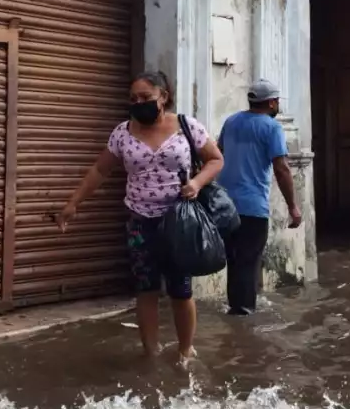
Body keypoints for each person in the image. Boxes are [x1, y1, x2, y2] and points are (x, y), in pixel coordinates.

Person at [56, 71, 224, 360]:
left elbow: (216, 159)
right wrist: (73, 204)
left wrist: (196, 183)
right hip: (139, 220)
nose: (138, 103)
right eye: (133, 99)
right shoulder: (122, 132)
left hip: (178, 222)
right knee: (145, 288)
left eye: (145, 98)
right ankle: (151, 353)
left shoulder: (186, 126)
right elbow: (100, 170)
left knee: (180, 289)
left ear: (164, 97)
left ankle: (185, 352)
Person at [217, 78, 302, 316]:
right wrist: (293, 207)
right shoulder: (272, 127)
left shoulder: (231, 121)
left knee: (235, 262)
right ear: (273, 103)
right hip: (252, 207)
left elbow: (217, 152)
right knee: (247, 262)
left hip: (224, 205)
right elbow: (281, 168)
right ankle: (243, 318)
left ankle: (236, 310)